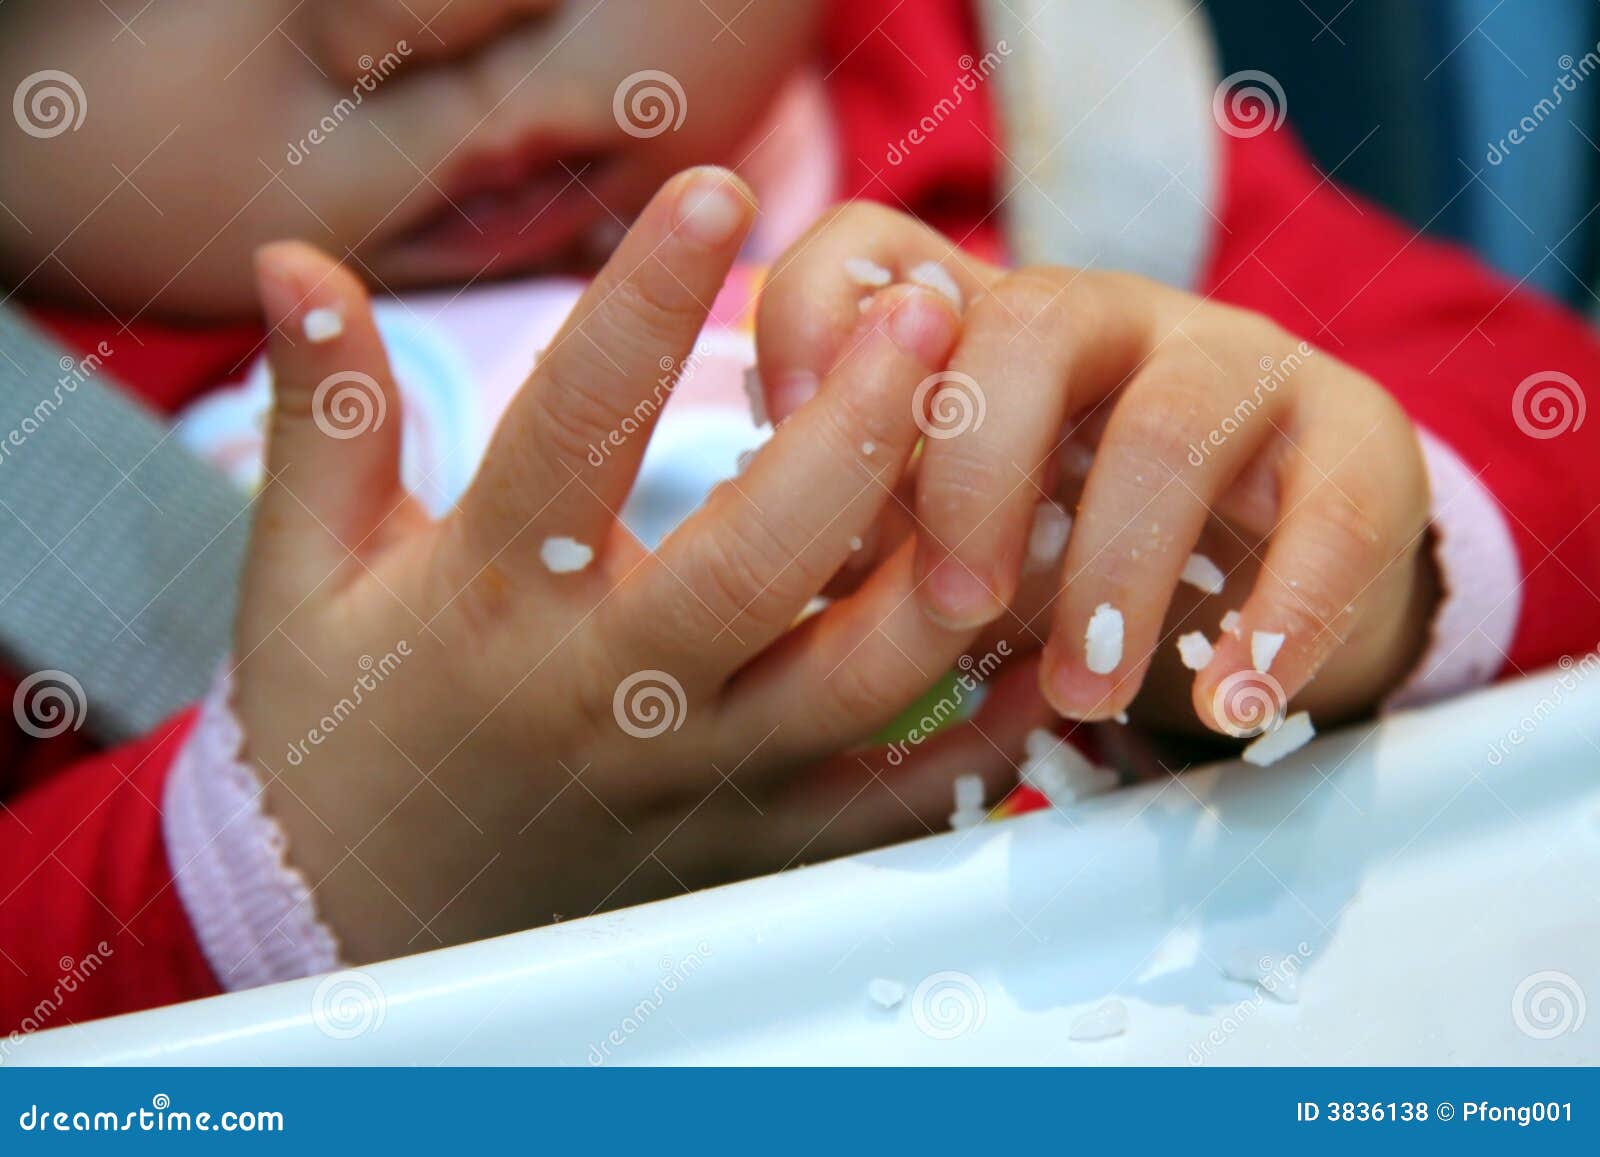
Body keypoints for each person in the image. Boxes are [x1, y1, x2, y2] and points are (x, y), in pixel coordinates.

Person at [1, 0, 1595, 1036]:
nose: (435, 19)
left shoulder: (1054, 130)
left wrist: (1336, 552)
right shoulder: (40, 472)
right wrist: (313, 867)